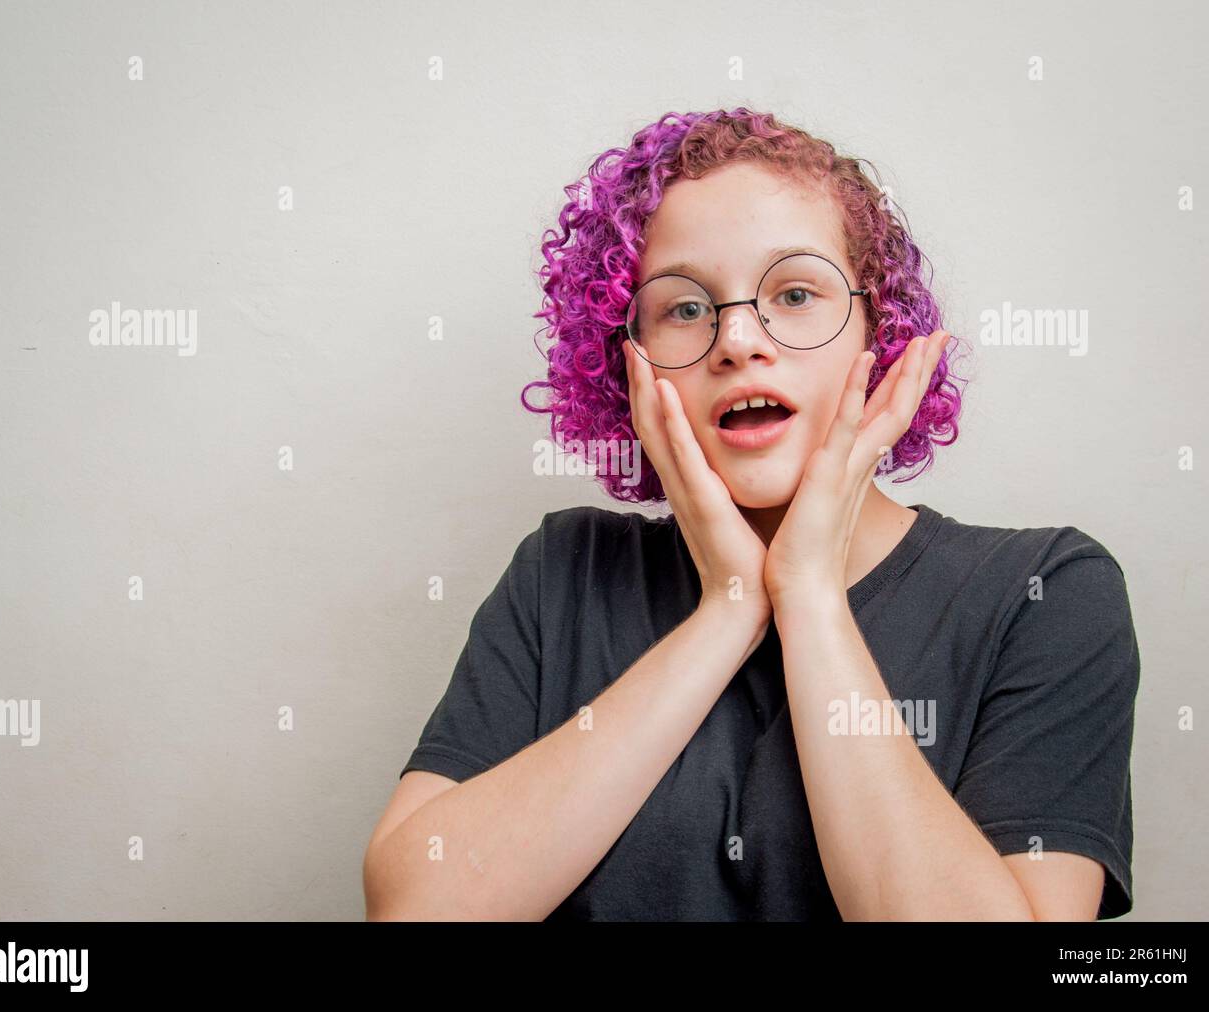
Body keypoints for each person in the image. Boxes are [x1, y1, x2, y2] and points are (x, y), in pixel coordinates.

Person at [362, 108, 1139, 921]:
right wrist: (728, 610)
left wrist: (806, 591)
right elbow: (418, 909)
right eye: (687, 308)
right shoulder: (567, 572)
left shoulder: (1043, 591)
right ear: (625, 361)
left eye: (795, 293)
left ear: (882, 331)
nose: (738, 339)